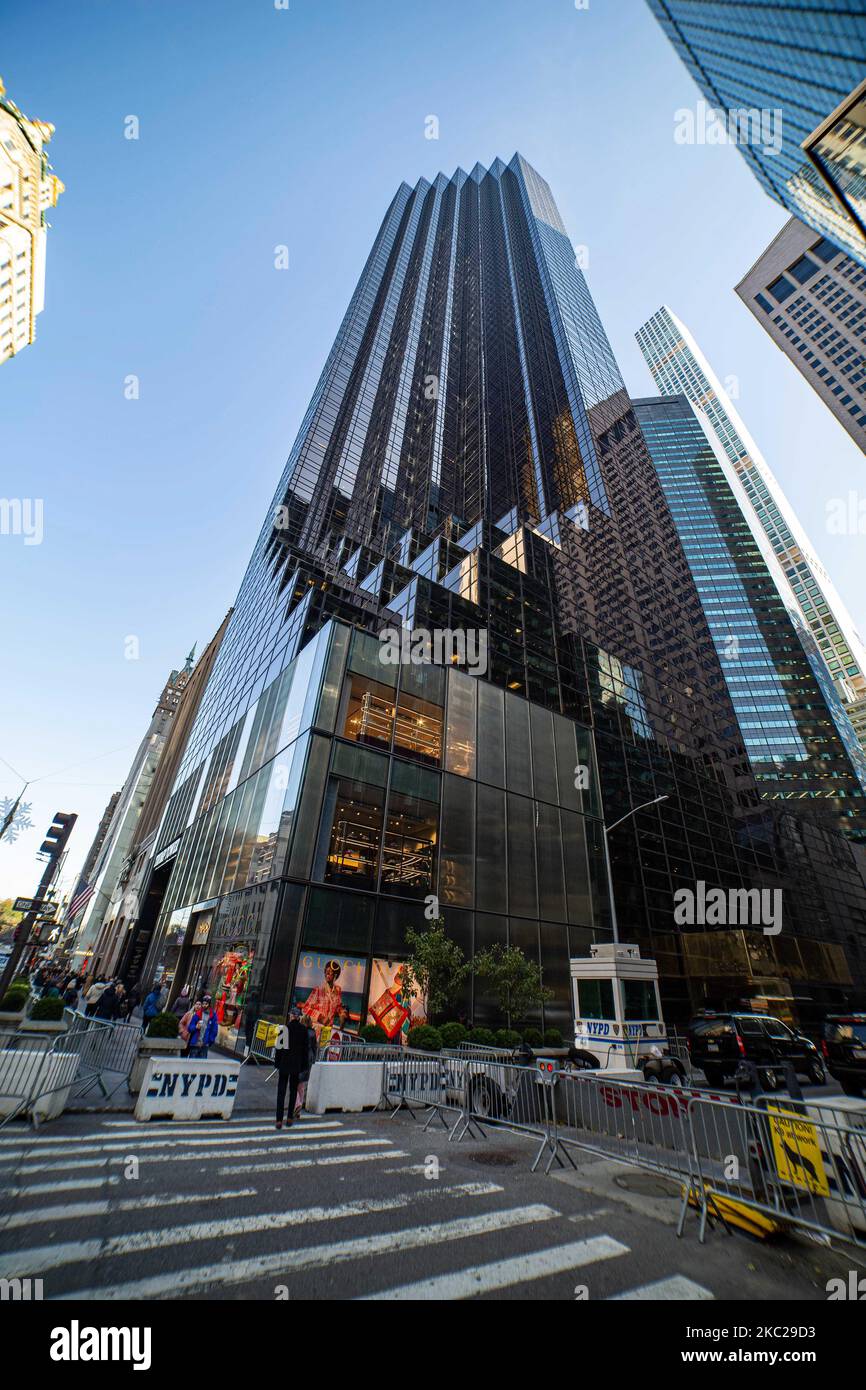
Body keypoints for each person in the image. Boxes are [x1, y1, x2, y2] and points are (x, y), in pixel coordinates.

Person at [273, 1006, 309, 1129]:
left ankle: (279, 1120)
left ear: (291, 1016)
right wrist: (304, 1065)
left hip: (284, 1063)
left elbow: (279, 1049)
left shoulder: (285, 1029)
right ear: (298, 1017)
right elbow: (305, 1050)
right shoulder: (303, 1030)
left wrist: (277, 1063)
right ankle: (289, 1117)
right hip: (296, 1065)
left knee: (281, 1091)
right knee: (293, 1091)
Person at [293, 1013, 319, 1118]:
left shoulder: (300, 1032)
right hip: (309, 1059)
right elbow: (314, 1047)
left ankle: (297, 1104)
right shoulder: (313, 1033)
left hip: (300, 1058)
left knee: (294, 1083)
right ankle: (298, 1111)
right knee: (302, 1085)